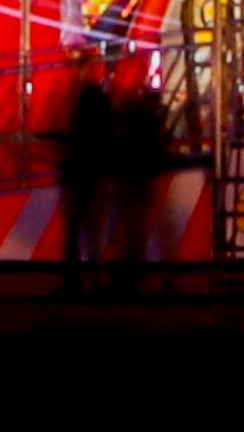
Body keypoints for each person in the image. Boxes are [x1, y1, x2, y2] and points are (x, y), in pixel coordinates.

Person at [50, 40, 170, 292]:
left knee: (80, 231)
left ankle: (83, 278)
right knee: (114, 229)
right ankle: (114, 275)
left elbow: (64, 127)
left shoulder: (80, 97)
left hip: (82, 170)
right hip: (106, 171)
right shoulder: (112, 102)